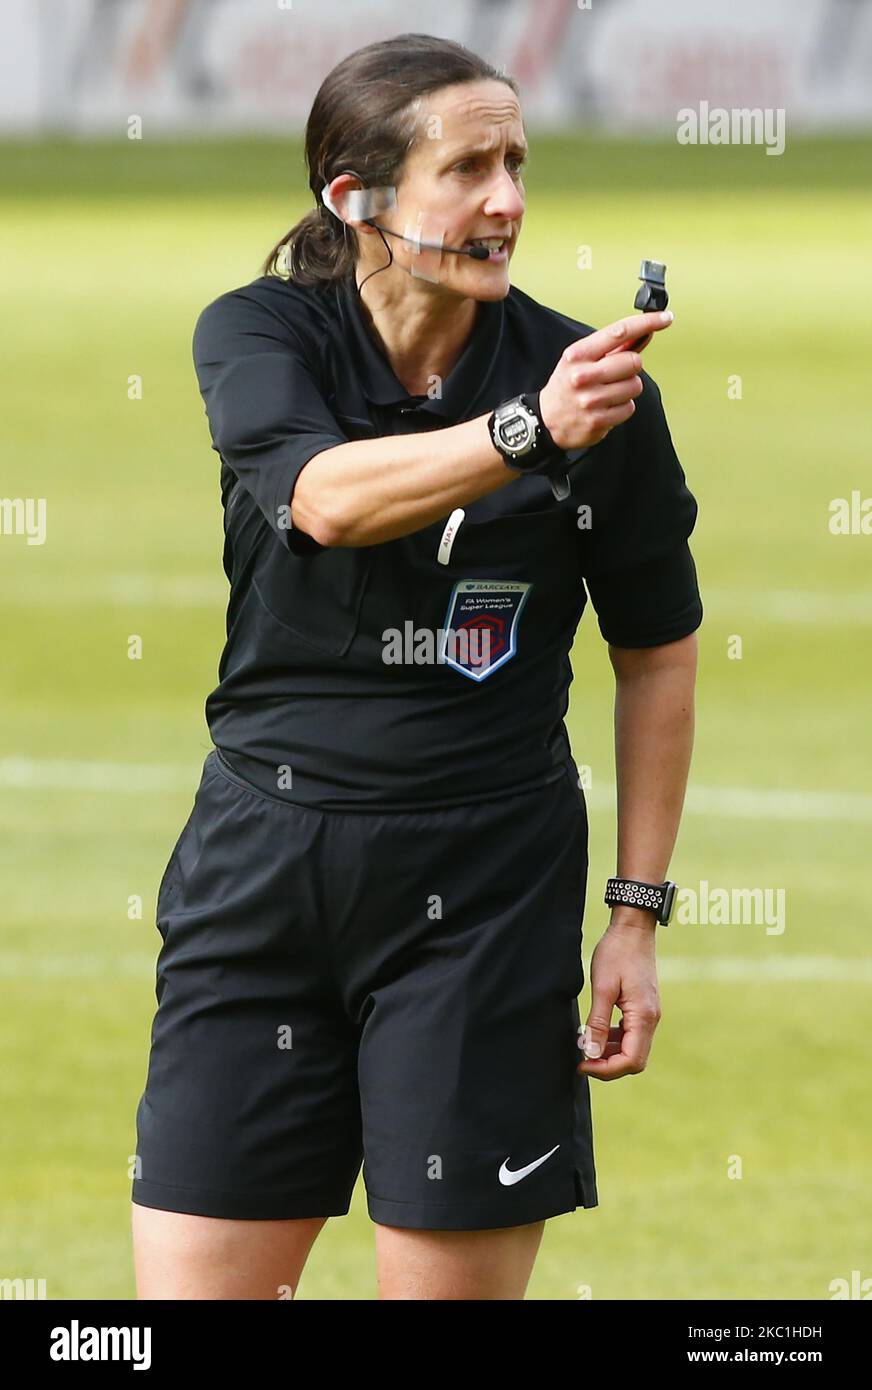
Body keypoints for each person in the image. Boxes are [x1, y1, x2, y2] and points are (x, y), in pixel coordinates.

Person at [131, 31, 702, 1301]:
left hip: (488, 887)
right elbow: (325, 500)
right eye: (469, 168)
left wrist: (632, 915)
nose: (506, 199)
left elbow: (654, 648)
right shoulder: (260, 333)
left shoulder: (592, 391)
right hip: (260, 876)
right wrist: (522, 430)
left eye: (516, 161)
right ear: (360, 199)